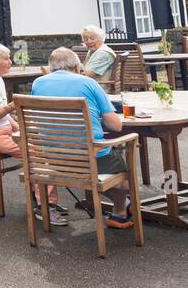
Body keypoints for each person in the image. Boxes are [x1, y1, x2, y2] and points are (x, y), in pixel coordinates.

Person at [31, 47, 134, 229]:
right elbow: (115, 125)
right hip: (90, 161)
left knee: (97, 155)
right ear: (78, 66)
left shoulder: (38, 84)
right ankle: (120, 211)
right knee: (122, 158)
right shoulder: (88, 83)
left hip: (53, 159)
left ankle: (121, 205)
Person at [0, 41, 61, 225]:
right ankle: (45, 206)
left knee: (44, 145)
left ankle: (40, 198)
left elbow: (3, 113)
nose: (10, 62)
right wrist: (13, 105)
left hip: (2, 131)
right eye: (6, 58)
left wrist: (19, 127)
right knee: (36, 153)